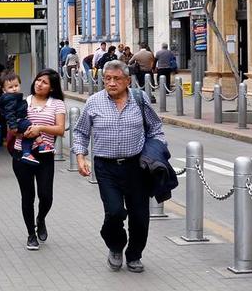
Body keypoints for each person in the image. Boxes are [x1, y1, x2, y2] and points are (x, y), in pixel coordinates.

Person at [72, 59, 166, 273]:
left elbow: (155, 128)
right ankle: (115, 246)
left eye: (117, 79)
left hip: (136, 166)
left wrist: (157, 150)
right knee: (114, 212)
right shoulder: (94, 102)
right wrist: (80, 156)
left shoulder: (140, 99)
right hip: (106, 167)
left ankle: (134, 255)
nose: (111, 83)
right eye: (107, 79)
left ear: (128, 80)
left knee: (140, 217)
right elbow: (80, 132)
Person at [10, 69, 66, 250]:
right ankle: (31, 234)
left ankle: (41, 218)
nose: (39, 84)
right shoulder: (23, 101)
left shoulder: (57, 104)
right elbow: (12, 127)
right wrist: (23, 131)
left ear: (51, 88)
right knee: (27, 196)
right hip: (22, 155)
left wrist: (40, 128)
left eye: (44, 82)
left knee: (46, 195)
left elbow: (60, 129)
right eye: (38, 80)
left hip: (45, 156)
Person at [0, 74, 38, 165]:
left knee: (27, 135)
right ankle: (40, 143)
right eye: (10, 87)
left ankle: (26, 152)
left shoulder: (15, 97)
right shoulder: (10, 99)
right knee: (31, 127)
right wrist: (13, 126)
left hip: (18, 120)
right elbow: (9, 113)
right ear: (4, 90)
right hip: (18, 121)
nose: (14, 89)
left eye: (16, 86)